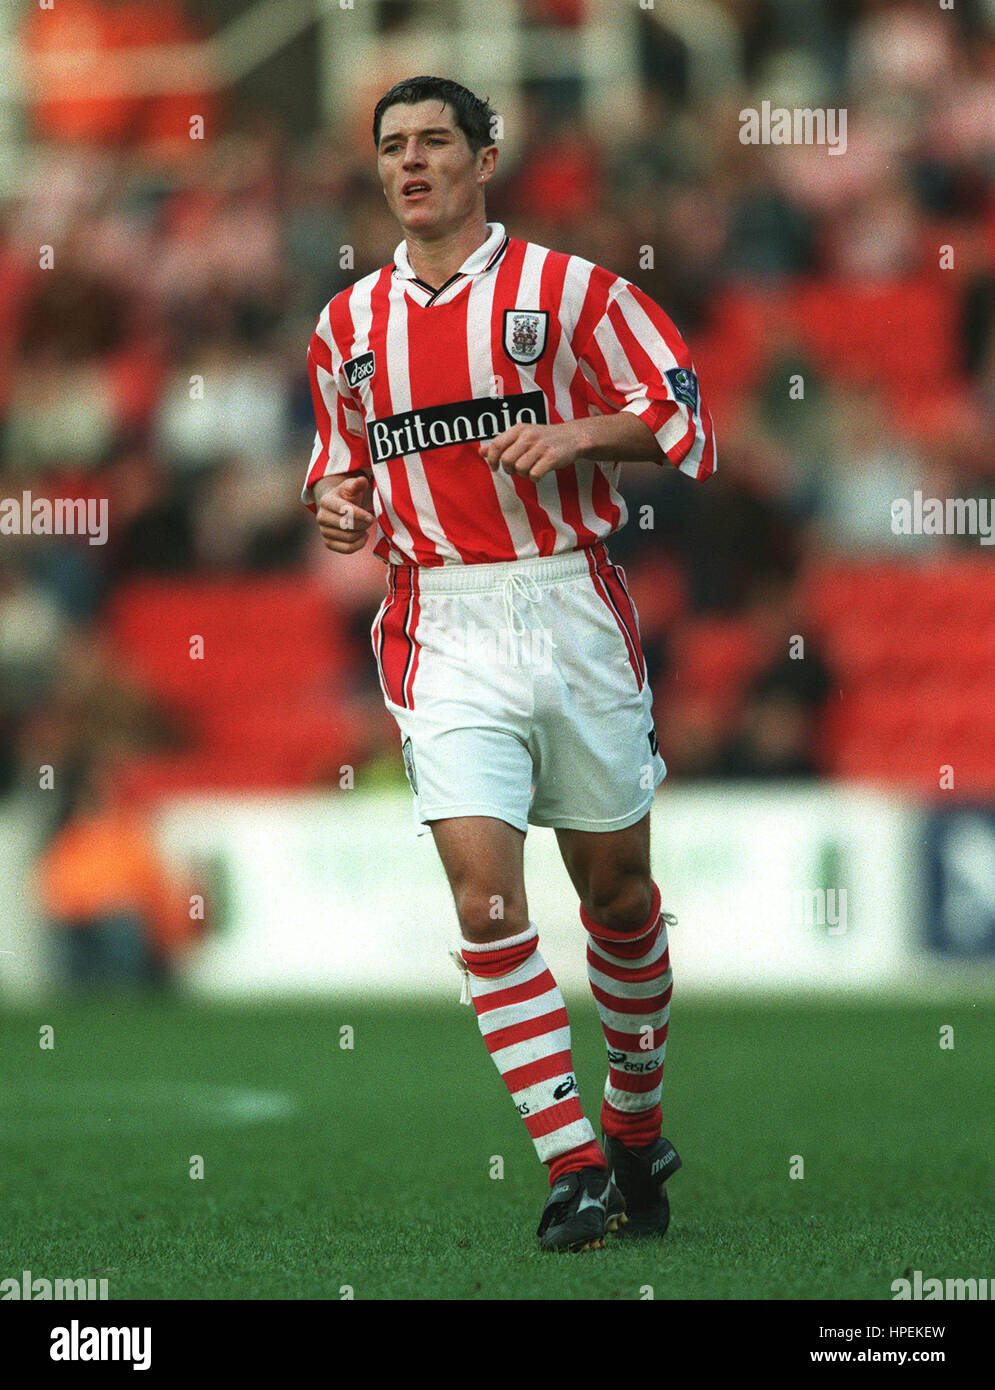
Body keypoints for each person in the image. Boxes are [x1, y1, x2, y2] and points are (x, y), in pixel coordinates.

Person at [302, 76, 716, 1252]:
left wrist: (582, 431)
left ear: (486, 158)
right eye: (392, 146)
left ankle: (633, 1124)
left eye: (435, 140)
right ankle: (572, 1163)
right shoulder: (345, 324)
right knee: (487, 901)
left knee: (619, 899)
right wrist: (339, 507)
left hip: (569, 604)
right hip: (438, 620)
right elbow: (343, 465)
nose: (410, 161)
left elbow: (688, 417)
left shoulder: (570, 290)